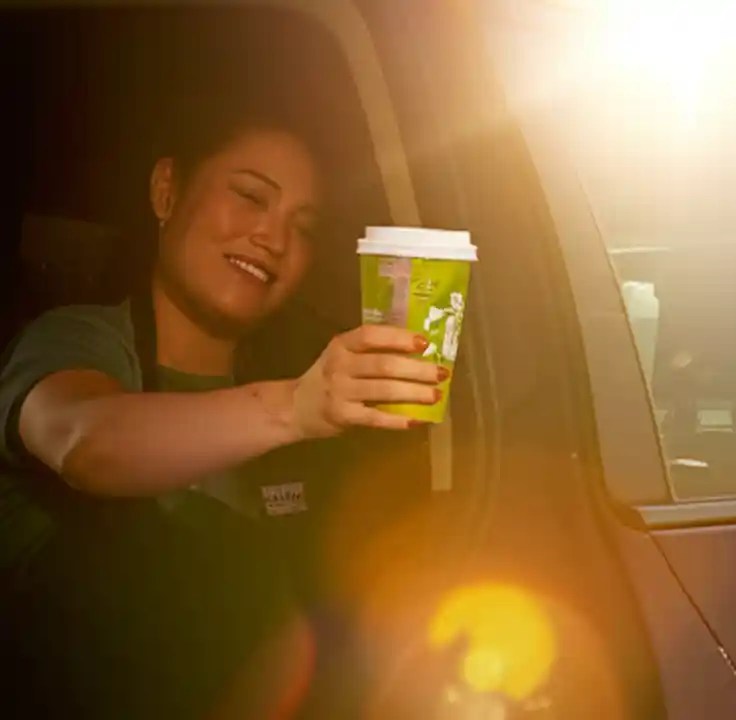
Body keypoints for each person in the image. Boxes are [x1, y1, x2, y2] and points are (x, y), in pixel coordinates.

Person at [0, 95, 444, 718]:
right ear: (166, 191)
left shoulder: (306, 394)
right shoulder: (80, 339)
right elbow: (85, 442)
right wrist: (294, 409)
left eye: (305, 225)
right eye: (250, 196)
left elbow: (291, 629)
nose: (274, 236)